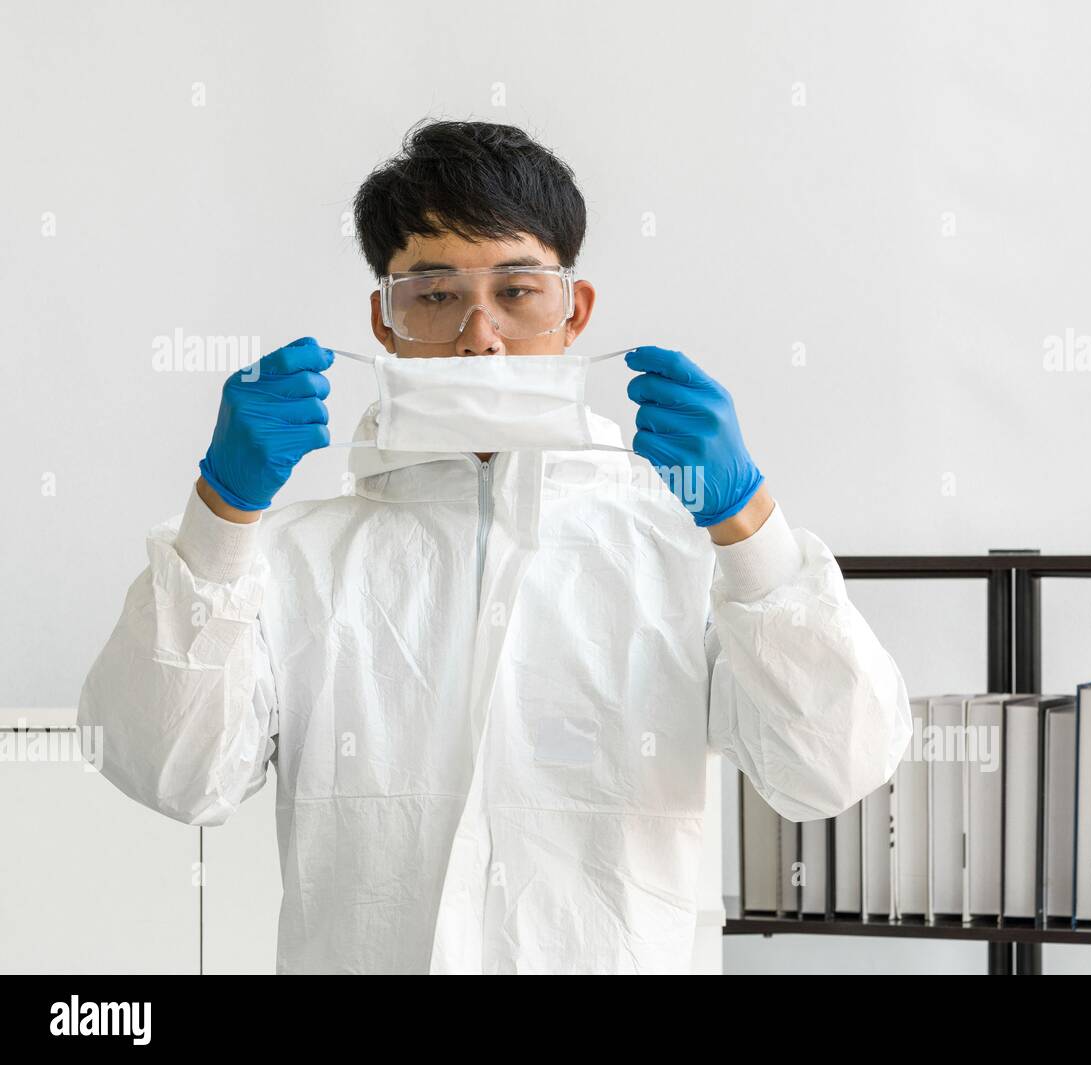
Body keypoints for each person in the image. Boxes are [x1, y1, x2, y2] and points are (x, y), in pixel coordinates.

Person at [78, 119, 913, 974]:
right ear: (386, 321)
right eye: (435, 295)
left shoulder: (679, 549)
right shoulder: (296, 559)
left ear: (574, 309)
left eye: (518, 291)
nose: (480, 336)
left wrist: (749, 522)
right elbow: (168, 772)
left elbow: (830, 768)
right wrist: (219, 513)